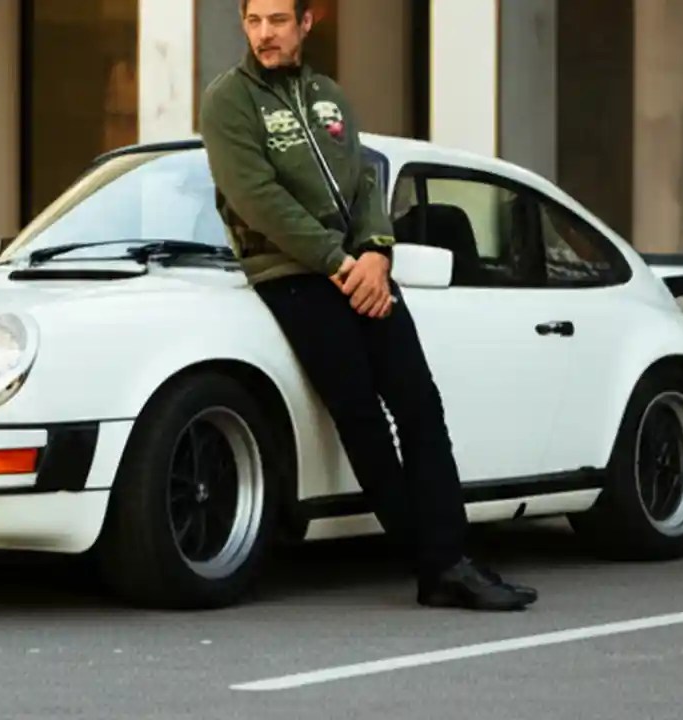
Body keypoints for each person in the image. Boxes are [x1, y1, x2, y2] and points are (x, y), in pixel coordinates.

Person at [199, 0, 537, 611]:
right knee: (362, 417)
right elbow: (257, 198)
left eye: (279, 20)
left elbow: (365, 184)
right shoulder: (229, 100)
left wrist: (378, 251)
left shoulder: (330, 97)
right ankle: (436, 562)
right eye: (254, 21)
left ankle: (450, 561)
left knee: (421, 407)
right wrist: (339, 260)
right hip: (292, 275)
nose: (265, 34)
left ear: (307, 22)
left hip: (362, 271)